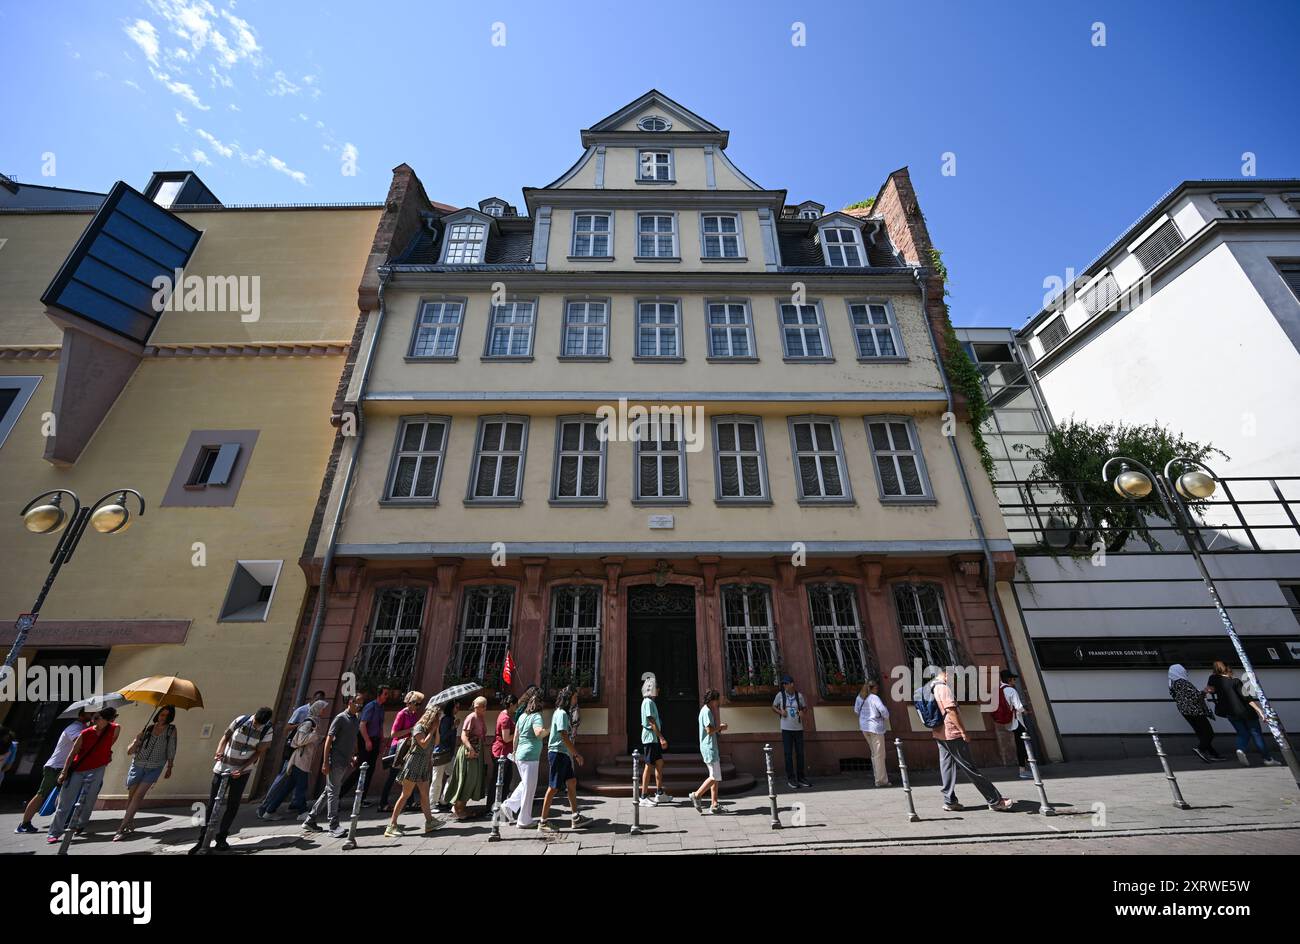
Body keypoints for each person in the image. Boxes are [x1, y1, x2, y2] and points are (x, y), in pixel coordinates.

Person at [928, 668, 1014, 812]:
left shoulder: (931, 687)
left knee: (947, 767)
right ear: (946, 674)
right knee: (970, 767)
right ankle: (995, 800)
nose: (954, 680)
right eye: (953, 677)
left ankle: (949, 801)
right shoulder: (943, 688)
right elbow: (951, 710)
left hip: (939, 733)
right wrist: (963, 731)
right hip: (951, 733)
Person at [203, 707, 274, 850]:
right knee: (213, 802)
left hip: (242, 772)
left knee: (233, 804)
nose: (256, 726)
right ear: (254, 716)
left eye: (259, 724)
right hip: (222, 767)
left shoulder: (267, 730)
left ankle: (221, 837)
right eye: (255, 722)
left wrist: (241, 769)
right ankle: (203, 836)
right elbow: (226, 737)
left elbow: (258, 753)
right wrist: (219, 751)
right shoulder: (241, 720)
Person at [47, 708, 121, 844]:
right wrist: (64, 772)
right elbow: (72, 753)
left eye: (100, 718)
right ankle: (54, 832)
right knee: (66, 802)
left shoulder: (115, 728)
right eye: (96, 717)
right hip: (78, 769)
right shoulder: (85, 733)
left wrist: (106, 755)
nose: (96, 720)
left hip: (98, 768)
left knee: (90, 799)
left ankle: (80, 824)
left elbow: (110, 744)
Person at [15, 709, 89, 834]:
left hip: (63, 767)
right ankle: (24, 824)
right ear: (82, 715)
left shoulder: (81, 727)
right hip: (55, 767)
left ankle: (63, 822)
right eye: (91, 714)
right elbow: (80, 743)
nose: (93, 716)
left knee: (65, 796)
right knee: (42, 794)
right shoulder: (74, 727)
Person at [303, 693, 365, 838]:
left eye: (361, 705)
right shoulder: (340, 718)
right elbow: (328, 740)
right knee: (333, 793)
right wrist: (325, 762)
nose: (359, 707)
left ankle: (310, 820)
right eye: (358, 704)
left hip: (344, 760)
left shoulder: (355, 719)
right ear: (350, 702)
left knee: (329, 791)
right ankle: (333, 826)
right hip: (335, 761)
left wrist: (353, 755)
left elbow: (353, 738)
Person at [113, 706, 178, 840]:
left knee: (138, 796)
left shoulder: (171, 730)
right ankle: (129, 820)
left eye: (166, 715)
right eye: (161, 714)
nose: (163, 717)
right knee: (131, 797)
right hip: (138, 765)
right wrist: (137, 740)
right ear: (158, 715)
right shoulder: (148, 729)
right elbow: (129, 751)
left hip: (155, 767)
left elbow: (171, 748)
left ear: (170, 717)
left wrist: (170, 766)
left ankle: (121, 828)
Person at [259, 699, 328, 819]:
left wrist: (321, 738)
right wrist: (314, 736)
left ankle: (269, 811)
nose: (324, 711)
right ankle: (302, 812)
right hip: (299, 760)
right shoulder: (308, 723)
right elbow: (298, 741)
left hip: (304, 759)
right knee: (302, 786)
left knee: (287, 788)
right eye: (322, 708)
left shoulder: (315, 722)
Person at [384, 704, 445, 837]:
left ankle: (430, 822)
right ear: (431, 716)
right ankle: (391, 826)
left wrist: (436, 729)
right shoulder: (419, 727)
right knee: (405, 795)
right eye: (437, 717)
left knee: (424, 795)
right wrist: (432, 730)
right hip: (413, 764)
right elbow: (423, 743)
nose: (438, 719)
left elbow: (436, 743)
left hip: (423, 766)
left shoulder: (430, 728)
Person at [1206, 661, 1281, 767]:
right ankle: (1267, 759)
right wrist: (1259, 711)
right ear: (1228, 669)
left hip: (1230, 713)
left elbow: (1210, 690)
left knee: (1242, 733)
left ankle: (1240, 749)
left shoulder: (1213, 679)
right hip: (1246, 712)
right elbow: (1247, 698)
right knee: (1256, 734)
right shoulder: (1236, 681)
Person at [538, 685, 589, 832]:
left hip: (563, 753)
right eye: (574, 697)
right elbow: (563, 735)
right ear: (568, 698)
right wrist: (576, 753)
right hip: (558, 753)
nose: (576, 699)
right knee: (553, 787)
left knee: (571, 782)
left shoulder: (563, 713)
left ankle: (575, 817)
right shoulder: (561, 714)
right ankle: (543, 822)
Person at [502, 692, 546, 827]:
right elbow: (539, 733)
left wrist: (515, 751)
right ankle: (524, 819)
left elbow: (516, 736)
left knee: (525, 784)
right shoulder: (536, 717)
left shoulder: (522, 717)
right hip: (530, 756)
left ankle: (509, 806)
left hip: (521, 755)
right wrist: (549, 730)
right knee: (530, 788)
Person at [379, 690, 425, 813]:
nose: (418, 707)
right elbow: (393, 733)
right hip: (398, 748)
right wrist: (410, 730)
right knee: (392, 776)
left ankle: (409, 803)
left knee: (408, 776)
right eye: (417, 704)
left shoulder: (413, 714)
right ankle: (382, 803)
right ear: (410, 703)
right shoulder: (402, 714)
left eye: (420, 704)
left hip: (407, 747)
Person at [446, 695, 490, 819]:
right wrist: (470, 749)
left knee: (473, 779)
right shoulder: (471, 717)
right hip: (469, 752)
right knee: (467, 780)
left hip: (477, 751)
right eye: (483, 706)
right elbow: (464, 736)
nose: (485, 709)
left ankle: (462, 807)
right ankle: (458, 808)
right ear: (477, 707)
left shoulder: (480, 718)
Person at [341, 687, 388, 803]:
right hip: (366, 740)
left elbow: (380, 726)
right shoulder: (371, 706)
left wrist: (382, 741)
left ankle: (362, 798)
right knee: (360, 770)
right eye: (385, 694)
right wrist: (367, 741)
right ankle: (339, 795)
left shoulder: (381, 708)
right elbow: (362, 725)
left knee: (370, 770)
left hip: (375, 740)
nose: (387, 696)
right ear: (379, 695)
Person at [1168, 664, 1222, 763]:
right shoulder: (1183, 682)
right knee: (1209, 733)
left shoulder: (1173, 684)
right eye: (1183, 670)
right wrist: (1206, 691)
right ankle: (1201, 749)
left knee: (1201, 733)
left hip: (1185, 712)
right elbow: (1195, 696)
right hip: (1195, 711)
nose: (1185, 672)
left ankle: (1213, 754)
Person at [691, 689, 730, 814]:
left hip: (709, 746)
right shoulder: (707, 711)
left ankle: (714, 804)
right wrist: (720, 727)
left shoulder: (705, 710)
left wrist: (717, 729)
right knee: (715, 776)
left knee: (714, 776)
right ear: (712, 700)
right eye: (717, 699)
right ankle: (696, 795)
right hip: (709, 748)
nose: (718, 702)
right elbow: (709, 730)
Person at [994, 670, 1035, 779]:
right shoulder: (1011, 690)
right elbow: (1019, 707)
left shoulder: (999, 690)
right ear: (1009, 679)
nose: (1014, 681)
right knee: (1022, 745)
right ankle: (1023, 770)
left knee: (1020, 744)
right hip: (1016, 721)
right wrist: (1026, 711)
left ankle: (1025, 768)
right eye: (1013, 679)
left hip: (1009, 722)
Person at [771, 675, 811, 788]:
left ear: (792, 684)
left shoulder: (799, 696)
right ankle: (791, 778)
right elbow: (773, 706)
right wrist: (780, 712)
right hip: (786, 729)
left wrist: (803, 712)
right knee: (788, 754)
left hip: (798, 728)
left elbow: (804, 708)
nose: (784, 686)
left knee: (800, 754)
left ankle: (801, 777)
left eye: (786, 683)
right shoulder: (780, 695)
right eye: (783, 684)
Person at [638, 672, 669, 806]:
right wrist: (661, 737)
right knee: (648, 766)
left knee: (659, 763)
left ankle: (659, 793)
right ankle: (643, 796)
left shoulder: (650, 702)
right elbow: (651, 721)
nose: (658, 690)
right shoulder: (648, 702)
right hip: (651, 738)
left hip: (653, 739)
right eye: (656, 687)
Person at [853, 679, 891, 787]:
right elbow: (883, 710)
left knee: (874, 754)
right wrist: (886, 716)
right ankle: (881, 780)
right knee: (879, 754)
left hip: (865, 728)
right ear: (873, 688)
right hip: (876, 728)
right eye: (876, 688)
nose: (877, 690)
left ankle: (878, 777)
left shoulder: (859, 698)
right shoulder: (874, 698)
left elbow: (856, 711)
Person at [429, 701, 457, 812]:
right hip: (441, 752)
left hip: (448, 753)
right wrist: (453, 727)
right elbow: (444, 736)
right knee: (437, 779)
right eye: (456, 707)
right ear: (451, 708)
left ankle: (444, 799)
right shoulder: (446, 720)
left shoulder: (451, 720)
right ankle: (432, 803)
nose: (458, 709)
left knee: (454, 774)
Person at [491, 692, 517, 802]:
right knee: (499, 780)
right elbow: (506, 738)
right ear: (511, 704)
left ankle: (500, 803)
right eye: (516, 705)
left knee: (506, 778)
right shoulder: (505, 718)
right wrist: (517, 733)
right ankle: (493, 805)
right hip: (501, 752)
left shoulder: (504, 715)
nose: (516, 708)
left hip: (505, 752)